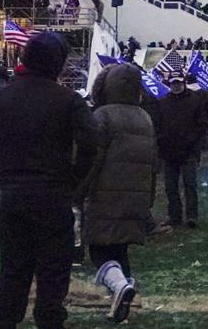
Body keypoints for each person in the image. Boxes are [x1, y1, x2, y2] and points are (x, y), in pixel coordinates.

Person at [0, 33, 96, 329]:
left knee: (13, 269)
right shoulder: (68, 101)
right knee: (53, 272)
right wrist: (73, 179)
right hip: (53, 194)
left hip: (15, 195)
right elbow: (91, 142)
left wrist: (4, 176)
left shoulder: (1, 98)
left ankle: (3, 321)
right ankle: (48, 321)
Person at [80, 63, 155, 324]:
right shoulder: (144, 117)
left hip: (105, 194)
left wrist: (79, 190)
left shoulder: (103, 116)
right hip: (136, 196)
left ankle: (120, 289)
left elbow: (93, 159)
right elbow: (152, 164)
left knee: (99, 251)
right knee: (120, 251)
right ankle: (122, 305)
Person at [154, 73, 208, 228]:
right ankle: (174, 216)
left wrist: (195, 144)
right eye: (173, 83)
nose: (176, 86)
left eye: (178, 83)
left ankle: (192, 216)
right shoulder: (163, 102)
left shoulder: (195, 100)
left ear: (183, 83)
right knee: (170, 187)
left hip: (189, 151)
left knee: (190, 185)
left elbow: (201, 124)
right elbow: (158, 124)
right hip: (169, 151)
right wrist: (161, 142)